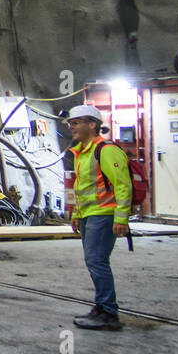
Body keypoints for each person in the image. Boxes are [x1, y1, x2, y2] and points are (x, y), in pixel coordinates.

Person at [64, 104, 131, 331]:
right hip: (89, 215)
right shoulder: (82, 153)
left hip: (104, 215)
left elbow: (123, 184)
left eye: (76, 122)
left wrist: (121, 218)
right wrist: (76, 214)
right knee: (94, 262)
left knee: (97, 262)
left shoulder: (106, 150)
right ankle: (101, 308)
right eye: (70, 123)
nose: (71, 126)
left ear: (92, 124)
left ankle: (108, 312)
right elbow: (82, 187)